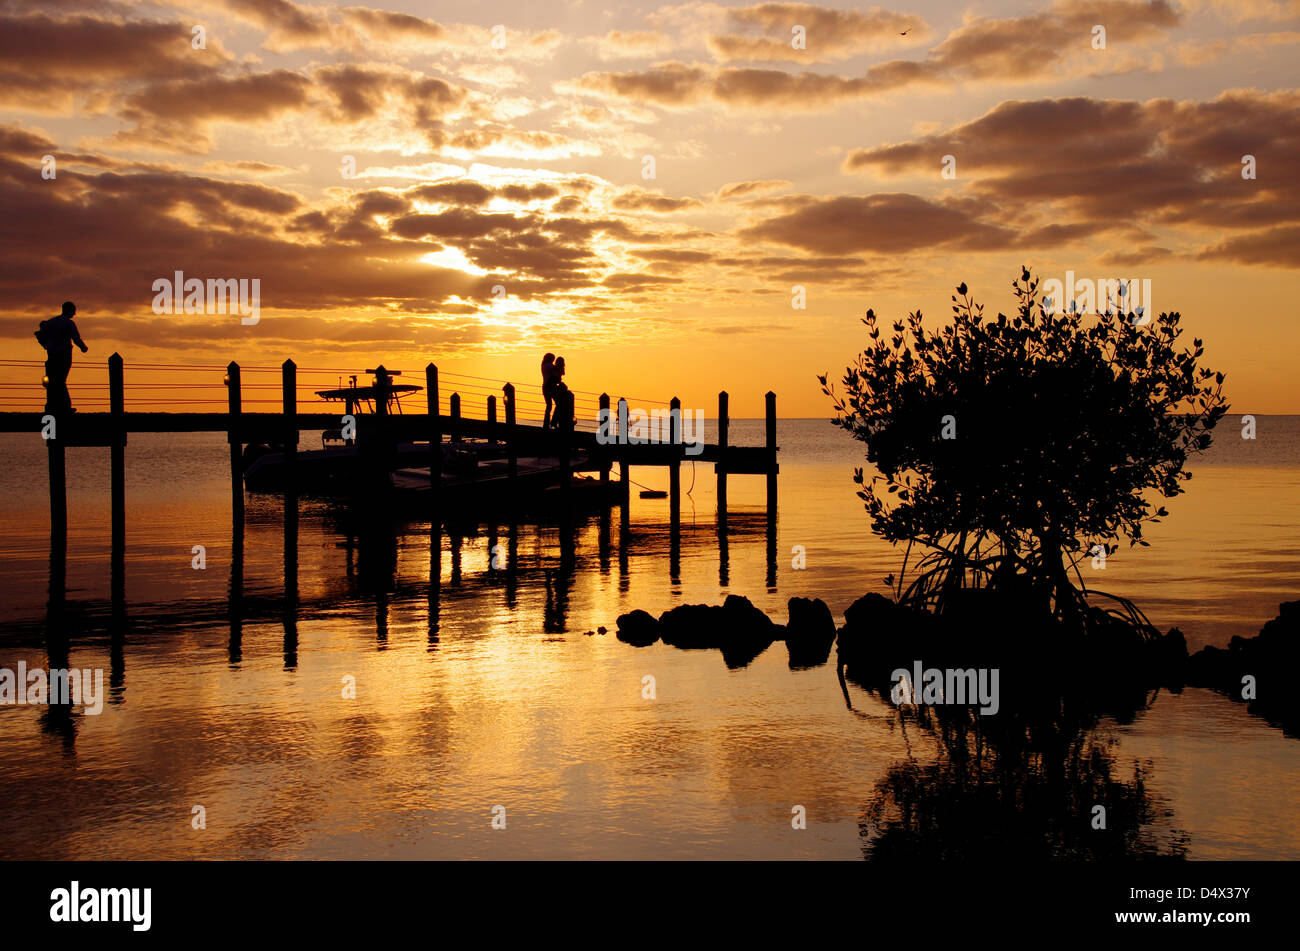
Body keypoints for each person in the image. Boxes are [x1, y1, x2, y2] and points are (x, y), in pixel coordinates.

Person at [35, 301, 88, 414]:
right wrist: (83, 347)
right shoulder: (69, 323)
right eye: (73, 311)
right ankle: (65, 406)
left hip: (52, 355)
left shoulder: (51, 322)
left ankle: (53, 405)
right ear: (69, 310)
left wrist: (47, 346)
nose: (74, 314)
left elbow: (40, 335)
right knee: (60, 380)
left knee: (53, 381)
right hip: (64, 355)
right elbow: (76, 338)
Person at [541, 352, 556, 428]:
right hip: (549, 387)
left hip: (545, 386)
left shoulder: (543, 365)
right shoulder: (549, 366)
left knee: (549, 406)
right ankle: (552, 422)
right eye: (553, 359)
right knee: (558, 404)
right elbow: (557, 372)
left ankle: (546, 423)